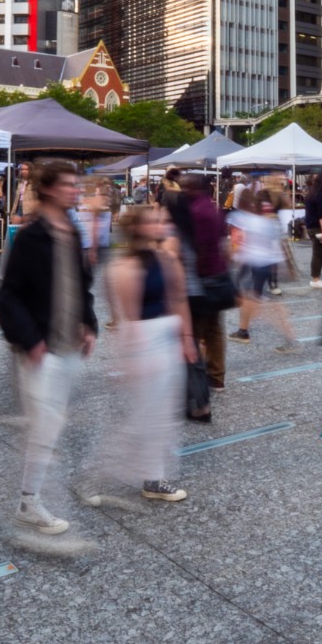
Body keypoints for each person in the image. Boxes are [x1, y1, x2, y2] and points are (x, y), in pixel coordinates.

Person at [0, 162, 98, 536]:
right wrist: (29, 341)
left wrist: (90, 324)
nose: (76, 190)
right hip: (41, 348)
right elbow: (7, 297)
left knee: (50, 428)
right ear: (51, 189)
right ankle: (29, 502)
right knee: (45, 429)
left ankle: (31, 497)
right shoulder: (29, 237)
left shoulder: (71, 230)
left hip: (68, 346)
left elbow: (83, 285)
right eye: (69, 185)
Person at [88, 204, 193, 503]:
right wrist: (129, 358)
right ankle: (98, 473)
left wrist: (186, 338)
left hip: (166, 336)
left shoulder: (167, 258)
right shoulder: (124, 266)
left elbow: (178, 298)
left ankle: (152, 477)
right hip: (146, 341)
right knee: (144, 416)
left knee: (161, 415)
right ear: (138, 229)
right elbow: (126, 318)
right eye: (153, 222)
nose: (161, 226)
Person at [171, 173, 229, 412]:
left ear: (198, 188)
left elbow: (201, 248)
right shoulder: (212, 209)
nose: (181, 189)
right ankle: (216, 376)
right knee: (214, 330)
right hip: (217, 276)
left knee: (194, 333)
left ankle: (197, 385)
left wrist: (194, 276)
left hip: (204, 279)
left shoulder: (197, 211)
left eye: (186, 186)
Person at [228, 189, 297, 349]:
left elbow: (239, 244)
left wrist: (234, 258)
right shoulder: (268, 222)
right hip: (264, 265)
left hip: (255, 264)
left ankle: (289, 337)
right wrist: (282, 266)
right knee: (250, 299)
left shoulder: (247, 220)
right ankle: (243, 330)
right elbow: (277, 244)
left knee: (258, 302)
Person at [303, 172, 322, 289]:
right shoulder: (319, 196)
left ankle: (316, 277)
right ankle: (315, 278)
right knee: (318, 253)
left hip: (311, 226)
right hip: (317, 227)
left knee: (317, 252)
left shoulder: (311, 194)